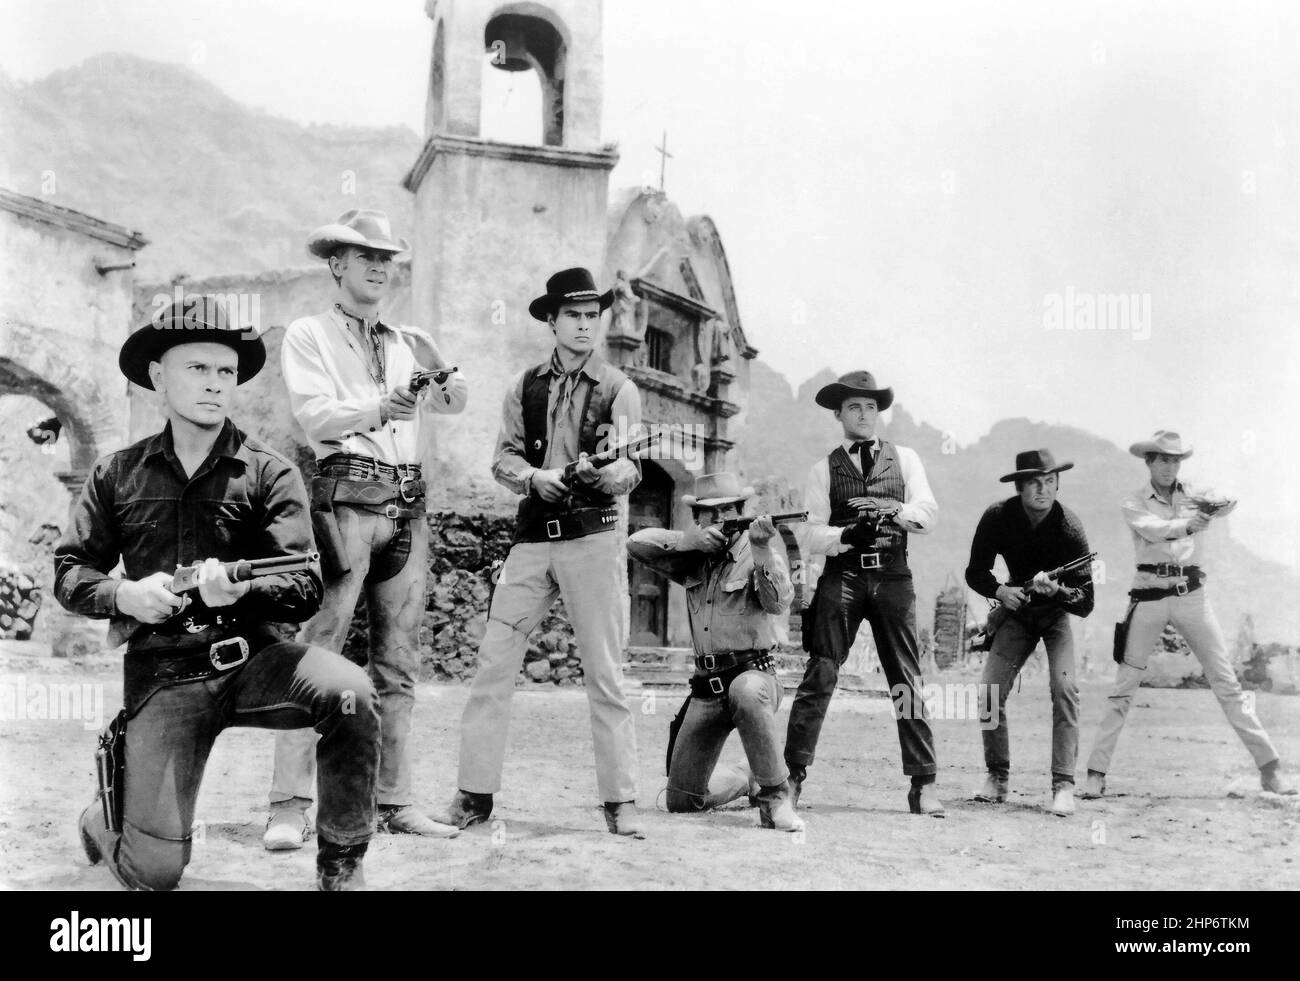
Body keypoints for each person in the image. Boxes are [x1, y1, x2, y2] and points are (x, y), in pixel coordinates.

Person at [59, 297, 380, 890]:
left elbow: (305, 584)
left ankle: (342, 866)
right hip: (164, 674)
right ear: (158, 376)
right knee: (154, 874)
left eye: (226, 371)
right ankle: (102, 822)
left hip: (255, 662)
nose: (215, 384)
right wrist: (123, 595)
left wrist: (242, 591)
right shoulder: (116, 473)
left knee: (351, 693)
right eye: (198, 368)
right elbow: (70, 571)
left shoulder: (271, 472)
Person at [264, 210, 469, 847]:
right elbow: (315, 416)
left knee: (399, 664)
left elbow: (455, 402)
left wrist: (439, 362)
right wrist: (381, 405)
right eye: (365, 256)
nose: (380, 267)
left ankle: (394, 801)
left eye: (386, 258)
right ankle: (289, 806)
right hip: (346, 498)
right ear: (337, 264)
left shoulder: (408, 342)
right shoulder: (308, 333)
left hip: (408, 505)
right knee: (317, 653)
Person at [439, 268, 646, 837]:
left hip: (593, 539)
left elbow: (631, 467)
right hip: (531, 541)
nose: (584, 325)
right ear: (551, 321)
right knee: (493, 664)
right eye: (573, 315)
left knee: (604, 672)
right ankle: (473, 794)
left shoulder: (619, 389)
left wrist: (599, 477)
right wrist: (535, 478)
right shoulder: (522, 385)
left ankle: (621, 800)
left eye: (592, 316)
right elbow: (502, 459)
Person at [1081, 431, 1295, 798]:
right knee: (1124, 688)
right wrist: (1190, 524)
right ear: (1149, 461)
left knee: (1226, 682)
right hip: (1148, 597)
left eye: (1175, 460)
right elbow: (1154, 531)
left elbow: (1228, 502)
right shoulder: (1133, 502)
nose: (1169, 467)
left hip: (1191, 594)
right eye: (1162, 459)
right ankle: (1095, 773)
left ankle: (1270, 767)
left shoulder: (1193, 494)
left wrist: (1214, 503)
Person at [784, 370, 944, 815]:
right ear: (838, 414)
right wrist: (847, 535)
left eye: (870, 407)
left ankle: (924, 783)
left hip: (893, 575)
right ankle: (791, 779)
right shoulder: (823, 469)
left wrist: (893, 510)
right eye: (854, 407)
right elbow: (809, 534)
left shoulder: (906, 459)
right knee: (822, 669)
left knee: (906, 676)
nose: (863, 414)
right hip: (845, 574)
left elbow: (928, 515)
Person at [627, 473, 803, 831]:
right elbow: (636, 544)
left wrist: (762, 550)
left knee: (746, 691)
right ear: (698, 518)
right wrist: (688, 541)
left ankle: (775, 798)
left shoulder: (757, 551)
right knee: (681, 801)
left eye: (728, 510)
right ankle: (745, 777)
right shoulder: (691, 558)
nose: (720, 518)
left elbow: (779, 603)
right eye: (710, 512)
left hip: (754, 677)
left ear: (740, 511)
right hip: (707, 689)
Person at [965, 449, 1095, 816]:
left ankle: (1063, 786)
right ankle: (997, 777)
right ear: (1019, 487)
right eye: (1034, 483)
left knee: (1065, 689)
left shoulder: (1070, 526)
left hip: (1055, 616)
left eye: (1050, 481)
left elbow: (1086, 601)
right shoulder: (997, 517)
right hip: (1016, 612)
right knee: (989, 692)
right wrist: (1000, 592)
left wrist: (1058, 591)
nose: (1043, 490)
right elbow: (975, 572)